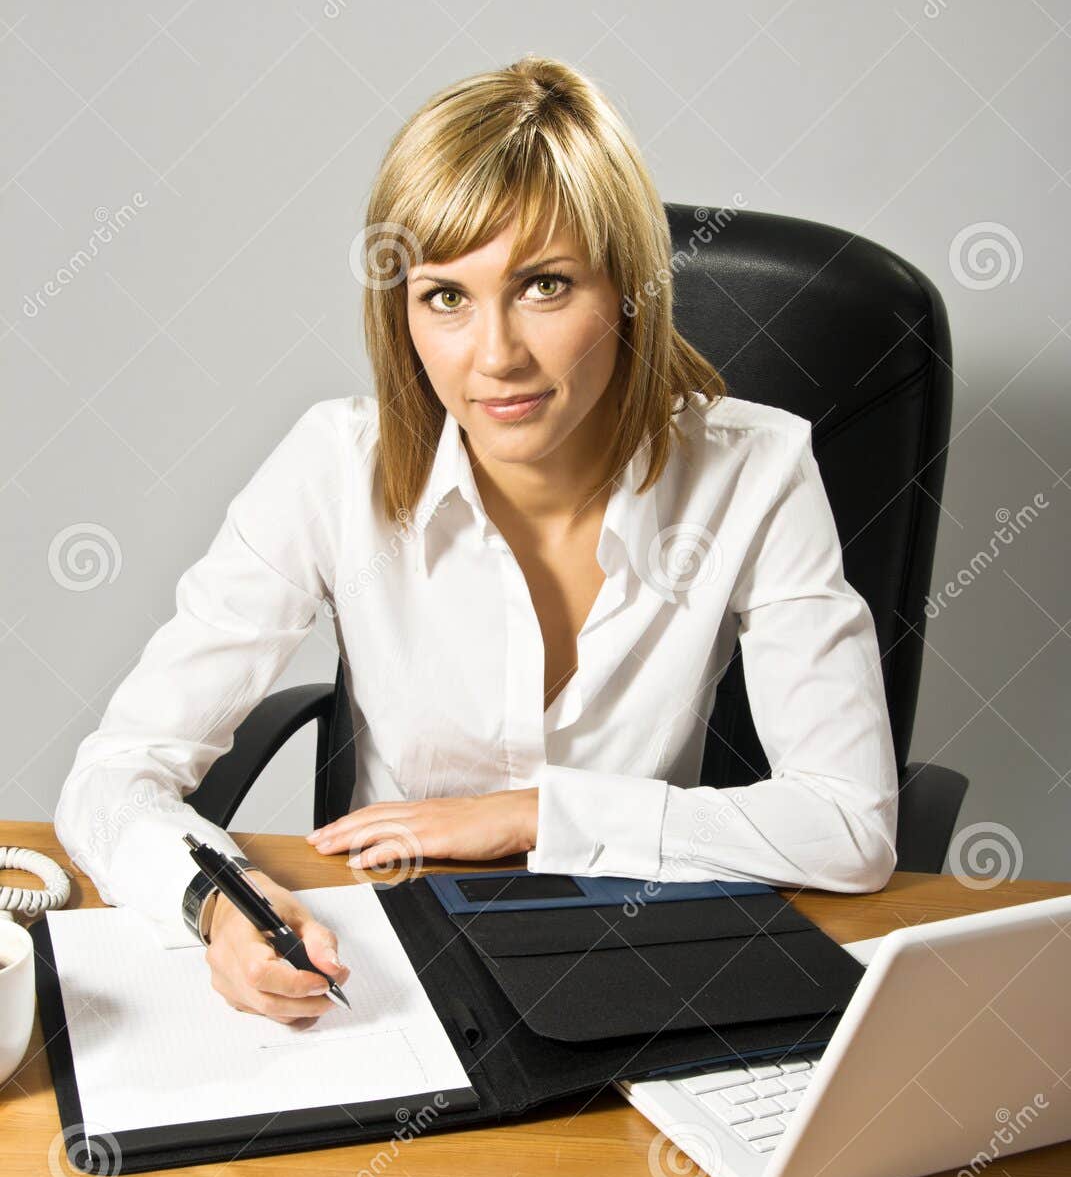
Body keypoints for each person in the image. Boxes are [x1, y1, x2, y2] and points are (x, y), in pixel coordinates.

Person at [54, 54, 898, 1028]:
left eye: (543, 285)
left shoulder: (755, 468)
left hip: (631, 943)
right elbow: (113, 775)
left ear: (628, 286)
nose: (494, 355)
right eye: (445, 296)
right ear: (401, 311)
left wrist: (538, 813)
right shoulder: (335, 465)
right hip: (390, 956)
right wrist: (216, 901)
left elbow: (853, 824)